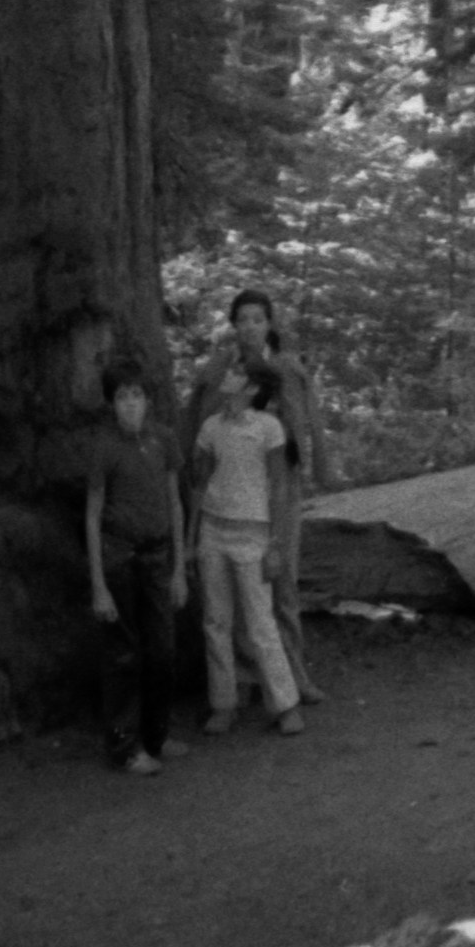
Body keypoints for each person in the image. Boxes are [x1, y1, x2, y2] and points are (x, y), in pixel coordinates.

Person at [188, 282, 330, 702]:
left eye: (258, 319)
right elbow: (201, 423)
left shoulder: (286, 367)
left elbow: (307, 423)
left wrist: (315, 463)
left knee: (281, 579)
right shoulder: (220, 371)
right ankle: (252, 679)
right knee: (233, 592)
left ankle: (296, 676)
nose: (250, 327)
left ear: (269, 325)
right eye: (242, 319)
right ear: (233, 326)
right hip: (232, 498)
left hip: (279, 489)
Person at [188, 348, 304, 733]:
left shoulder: (269, 428)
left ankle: (285, 704)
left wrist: (276, 544)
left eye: (238, 372)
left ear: (252, 385)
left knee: (260, 623)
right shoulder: (211, 428)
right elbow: (199, 484)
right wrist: (191, 538)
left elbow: (278, 488)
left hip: (253, 534)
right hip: (213, 530)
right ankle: (224, 703)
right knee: (216, 621)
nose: (229, 376)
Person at [81, 365, 188, 775]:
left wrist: (180, 569)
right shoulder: (104, 446)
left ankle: (156, 735)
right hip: (118, 557)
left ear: (148, 400)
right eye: (123, 397)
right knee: (122, 654)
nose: (131, 404)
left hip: (158, 557)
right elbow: (92, 516)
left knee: (163, 650)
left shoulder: (163, 439)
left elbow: (176, 503)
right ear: (112, 403)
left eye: (137, 396)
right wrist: (98, 586)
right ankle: (125, 746)